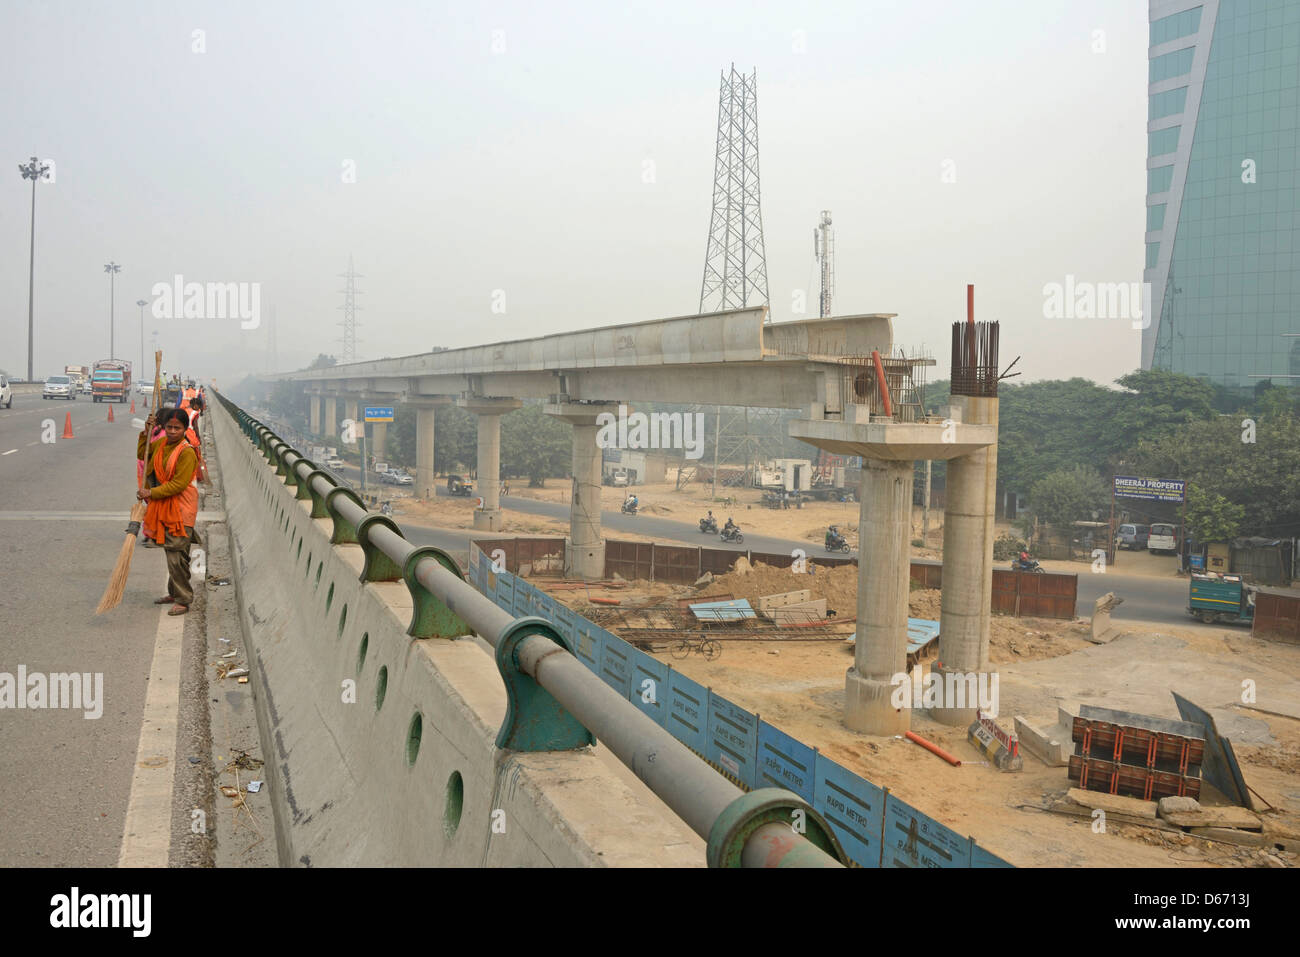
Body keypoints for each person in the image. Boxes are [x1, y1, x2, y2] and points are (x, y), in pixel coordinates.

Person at [136, 407, 202, 615]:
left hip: (181, 507)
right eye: (169, 427)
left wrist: (150, 492)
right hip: (164, 506)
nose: (172, 431)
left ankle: (183, 599)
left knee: (176, 556)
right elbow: (142, 453)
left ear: (184, 429)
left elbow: (178, 485)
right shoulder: (161, 444)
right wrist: (146, 433)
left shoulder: (187, 452)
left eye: (177, 428)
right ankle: (174, 593)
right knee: (174, 554)